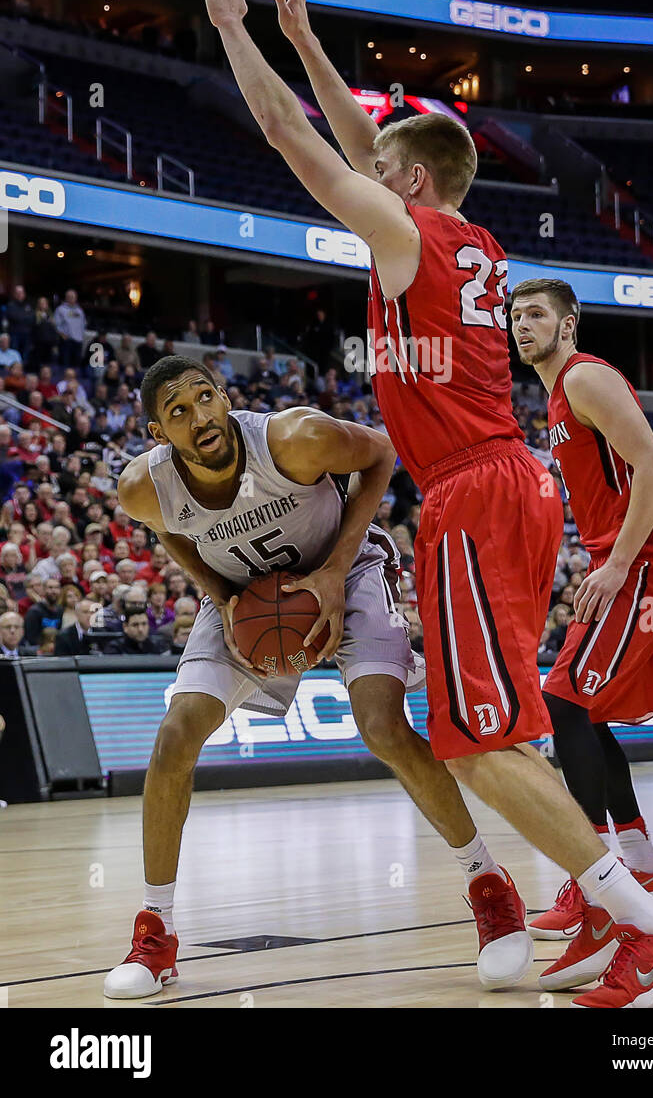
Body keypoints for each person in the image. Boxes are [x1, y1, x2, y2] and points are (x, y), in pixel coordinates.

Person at [198, 0, 653, 1007]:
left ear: (408, 185)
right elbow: (357, 140)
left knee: (472, 741)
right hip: (506, 484)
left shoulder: (408, 233)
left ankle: (652, 926)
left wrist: (234, 32)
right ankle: (616, 908)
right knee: (499, 728)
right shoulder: (462, 236)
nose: (363, 174)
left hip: (477, 493)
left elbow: (295, 138)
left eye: (379, 168)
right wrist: (303, 39)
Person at [104, 356, 518, 1000]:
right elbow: (166, 528)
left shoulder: (294, 439)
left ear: (225, 396)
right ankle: (156, 931)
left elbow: (380, 455)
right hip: (247, 596)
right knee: (175, 737)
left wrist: (333, 570)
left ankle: (487, 884)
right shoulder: (142, 488)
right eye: (178, 413)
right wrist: (217, 591)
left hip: (344, 573)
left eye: (205, 398)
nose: (199, 417)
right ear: (160, 435)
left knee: (381, 725)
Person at [509, 278, 653, 982]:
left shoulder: (585, 376)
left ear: (568, 325)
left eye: (536, 313)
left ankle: (592, 878)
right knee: (583, 715)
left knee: (563, 704)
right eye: (513, 314)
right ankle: (644, 869)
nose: (520, 323)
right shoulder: (555, 394)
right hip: (626, 559)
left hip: (632, 565)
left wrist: (627, 561)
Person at [53, 290, 86, 369]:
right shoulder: (60, 309)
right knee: (65, 365)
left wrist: (81, 336)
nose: (72, 299)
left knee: (76, 365)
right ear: (66, 298)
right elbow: (55, 325)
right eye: (70, 297)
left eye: (73, 297)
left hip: (78, 341)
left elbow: (83, 324)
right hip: (67, 341)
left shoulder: (80, 310)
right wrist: (62, 335)